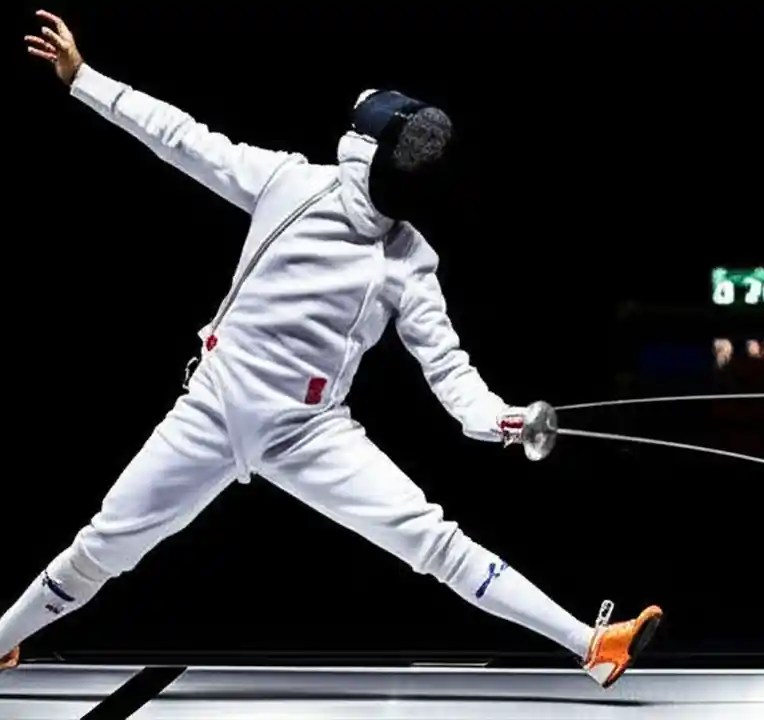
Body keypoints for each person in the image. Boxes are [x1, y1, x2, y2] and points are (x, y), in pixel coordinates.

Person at [5, 10, 662, 688]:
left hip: (308, 431)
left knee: (432, 539)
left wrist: (504, 419)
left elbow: (451, 375)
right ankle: (1, 641)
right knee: (105, 544)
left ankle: (592, 645)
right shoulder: (288, 183)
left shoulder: (409, 259)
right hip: (215, 407)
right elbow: (178, 136)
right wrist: (83, 78)